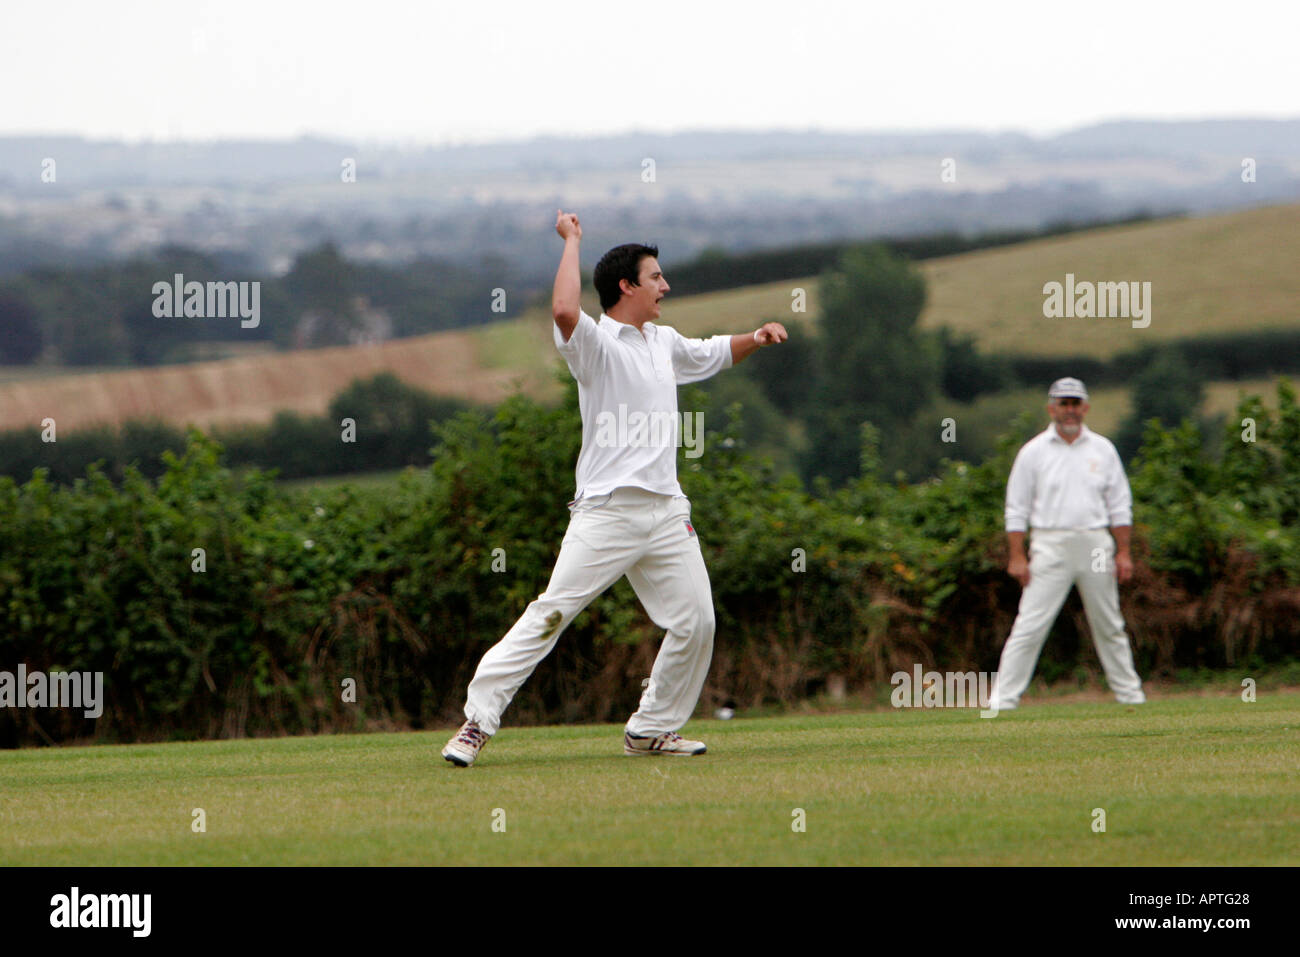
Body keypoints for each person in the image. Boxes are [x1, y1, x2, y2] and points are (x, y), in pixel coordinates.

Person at [442, 209, 788, 766]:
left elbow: (711, 352)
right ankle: (476, 723)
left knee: (696, 621)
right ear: (626, 286)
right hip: (606, 513)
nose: (665, 286)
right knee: (551, 613)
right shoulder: (594, 348)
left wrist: (757, 336)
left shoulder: (663, 340)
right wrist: (573, 240)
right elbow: (561, 309)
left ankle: (651, 728)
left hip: (667, 513)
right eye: (655, 277)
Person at [987, 377, 1146, 711]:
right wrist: (1017, 556)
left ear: (1085, 407)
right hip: (1050, 543)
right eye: (1064, 404)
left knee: (1109, 623)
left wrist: (1124, 552)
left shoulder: (1103, 449)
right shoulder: (1033, 452)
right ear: (1051, 408)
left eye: (1075, 403)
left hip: (1096, 543)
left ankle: (1131, 695)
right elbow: (1016, 508)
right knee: (1030, 624)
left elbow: (1120, 504)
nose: (1070, 410)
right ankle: (1003, 700)